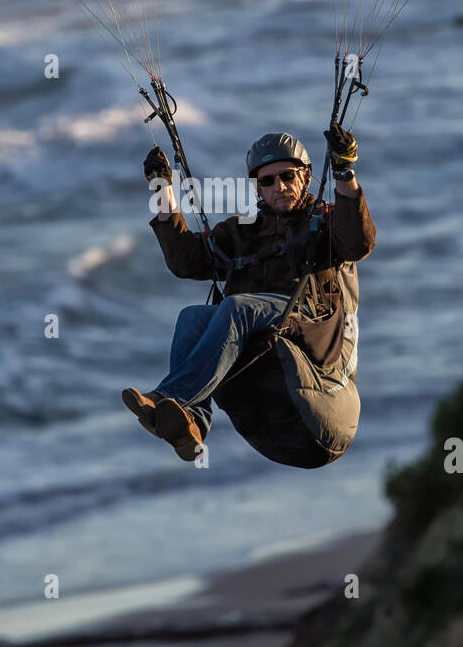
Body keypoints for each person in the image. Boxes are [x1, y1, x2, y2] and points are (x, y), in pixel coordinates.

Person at [122, 124, 376, 460]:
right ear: (257, 188)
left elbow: (358, 242)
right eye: (267, 181)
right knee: (192, 317)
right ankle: (192, 421)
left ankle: (169, 395)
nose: (280, 187)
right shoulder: (242, 231)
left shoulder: (325, 220)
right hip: (260, 326)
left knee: (237, 307)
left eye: (288, 176)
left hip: (308, 324)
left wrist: (344, 171)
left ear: (307, 176)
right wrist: (161, 189)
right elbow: (187, 261)